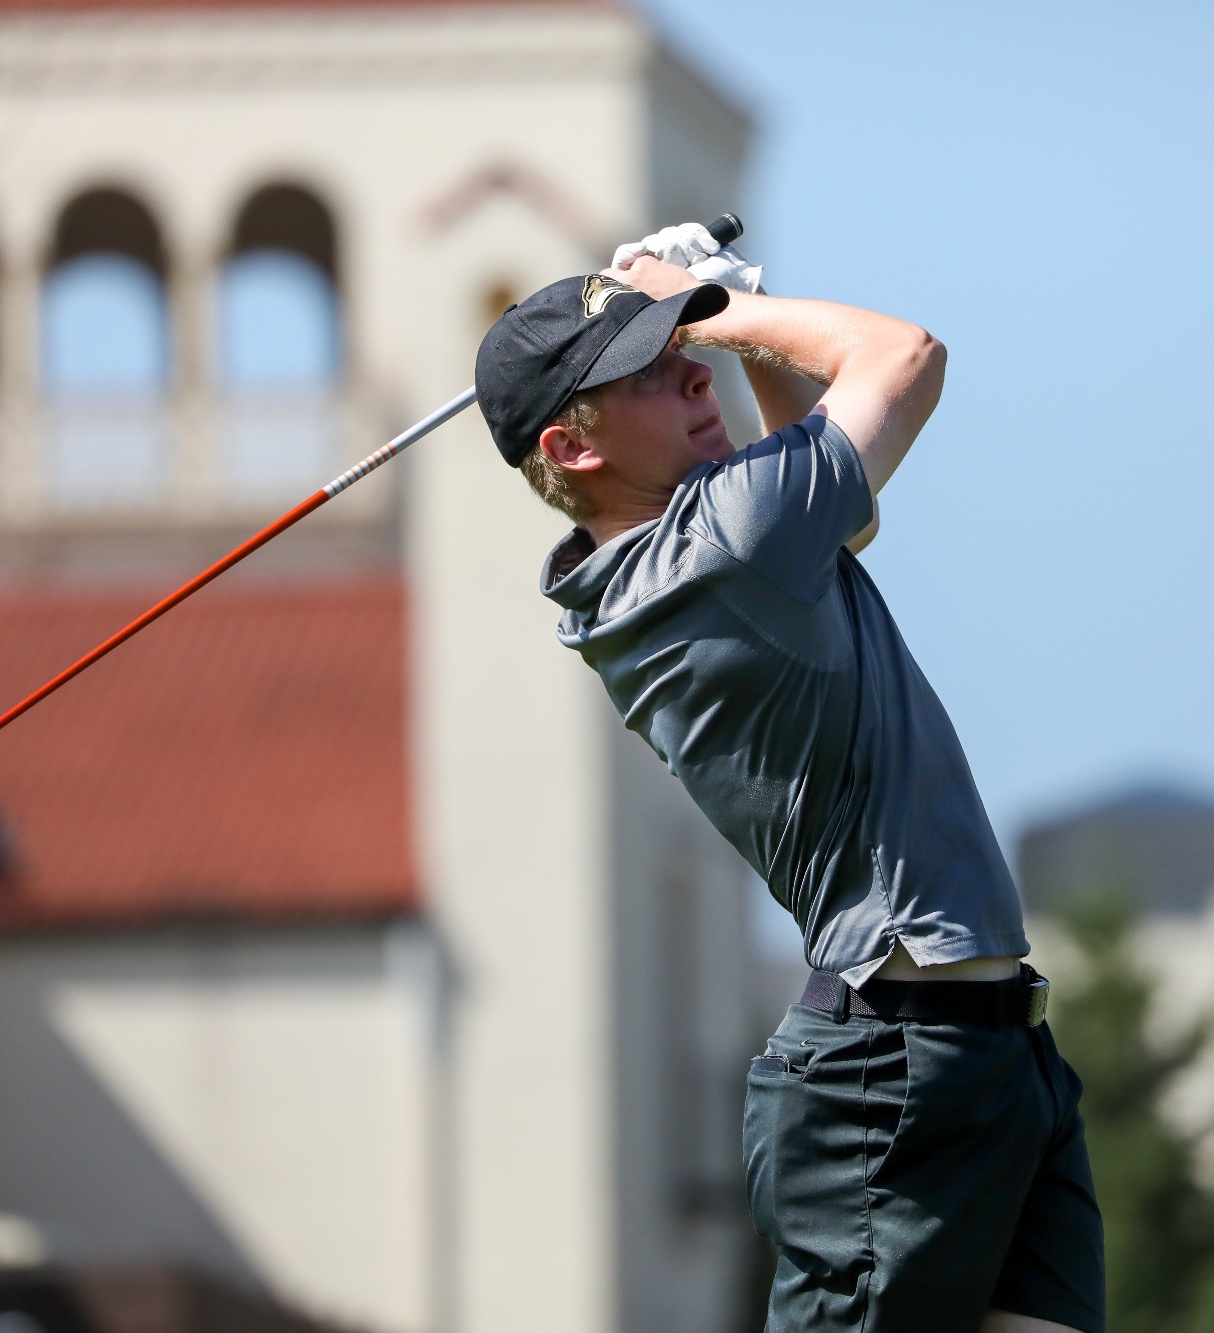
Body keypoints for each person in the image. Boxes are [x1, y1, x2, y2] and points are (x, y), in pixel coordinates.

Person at [471, 225, 1104, 1333]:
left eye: (683, 350)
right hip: (892, 1073)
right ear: (574, 449)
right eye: (652, 372)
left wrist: (717, 312)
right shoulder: (723, 548)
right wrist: (719, 304)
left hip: (977, 1055)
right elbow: (903, 355)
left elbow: (825, 492)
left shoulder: (698, 551)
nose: (692, 372)